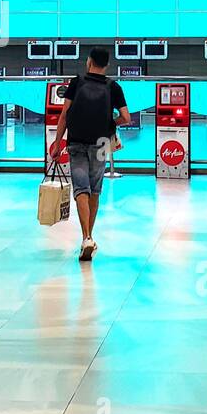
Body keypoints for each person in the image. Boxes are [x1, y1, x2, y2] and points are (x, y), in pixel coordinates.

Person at [49, 47, 131, 261]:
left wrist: (57, 143)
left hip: (76, 141)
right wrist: (109, 123)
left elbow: (64, 115)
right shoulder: (114, 87)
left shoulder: (77, 82)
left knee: (80, 188)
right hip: (101, 143)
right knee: (94, 189)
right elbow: (126, 117)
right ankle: (89, 237)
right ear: (107, 65)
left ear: (89, 62)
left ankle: (86, 237)